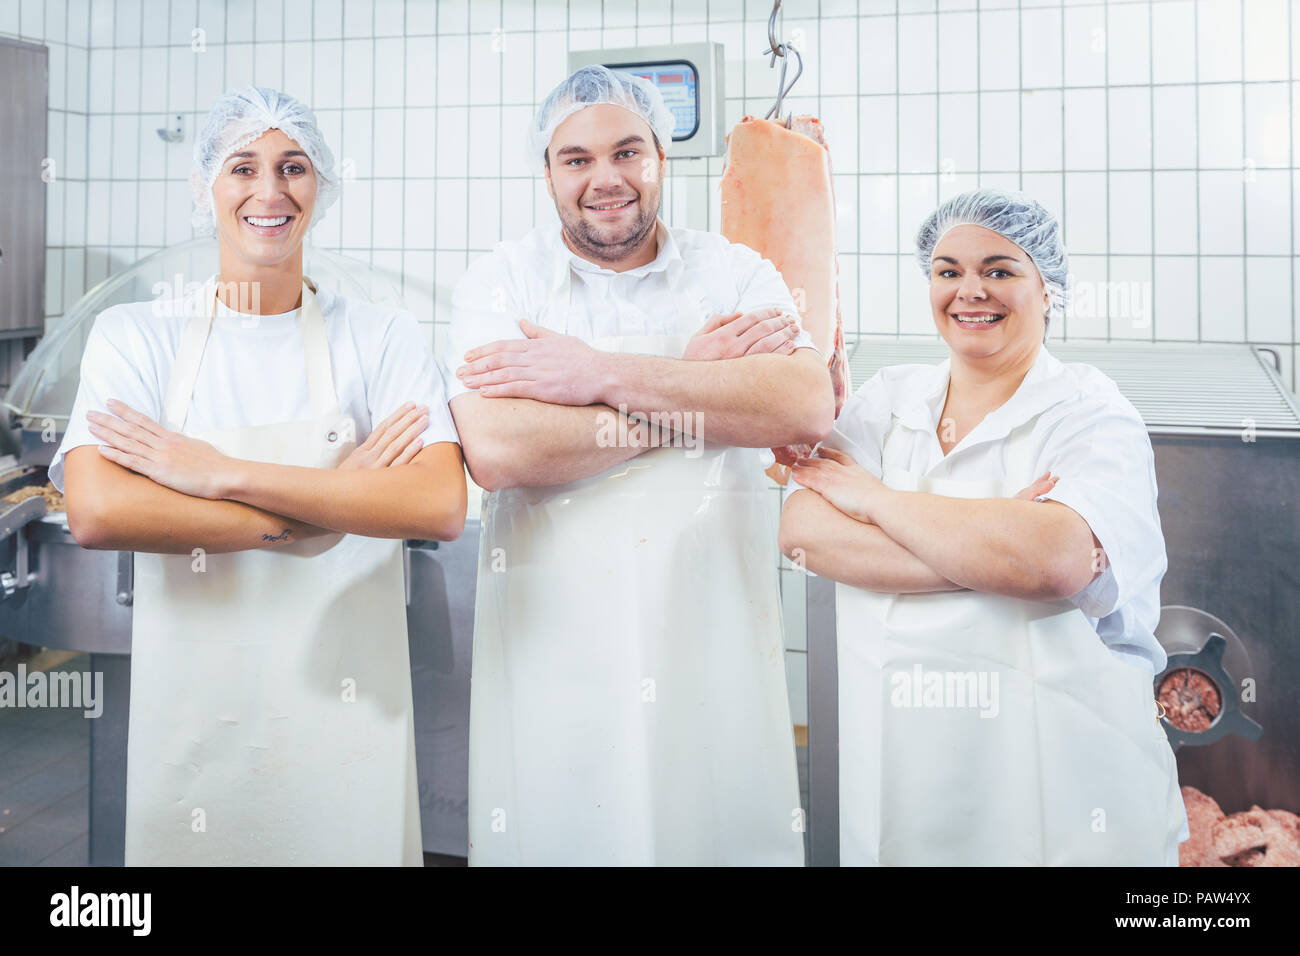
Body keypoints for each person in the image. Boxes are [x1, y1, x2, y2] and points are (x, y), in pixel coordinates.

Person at [52, 87, 467, 866]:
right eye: (243, 167)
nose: (269, 191)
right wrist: (327, 512)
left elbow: (438, 503)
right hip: (201, 725)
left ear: (322, 186)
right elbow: (98, 511)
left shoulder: (382, 337)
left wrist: (213, 474)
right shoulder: (136, 335)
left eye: (294, 167)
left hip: (346, 714)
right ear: (207, 187)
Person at [445, 66, 834, 865]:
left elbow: (800, 404)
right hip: (554, 641)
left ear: (662, 154)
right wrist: (698, 392)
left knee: (711, 826)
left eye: (628, 151)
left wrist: (596, 375)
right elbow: (498, 451)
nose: (605, 178)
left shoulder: (734, 272)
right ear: (547, 171)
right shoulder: (502, 281)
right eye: (576, 158)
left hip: (709, 630)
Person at [779, 188, 1187, 866]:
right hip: (900, 786)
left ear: (1048, 288)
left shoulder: (1089, 414)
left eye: (999, 270)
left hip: (1059, 788)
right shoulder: (888, 401)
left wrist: (877, 502)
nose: (970, 291)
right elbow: (802, 532)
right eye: (948, 271)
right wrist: (990, 551)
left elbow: (1052, 562)